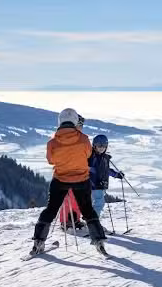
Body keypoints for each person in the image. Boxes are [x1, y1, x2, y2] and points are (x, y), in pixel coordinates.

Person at [29, 108, 108, 256]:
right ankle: (99, 241)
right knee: (88, 210)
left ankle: (38, 241)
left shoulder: (52, 143)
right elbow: (88, 154)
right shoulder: (84, 139)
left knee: (50, 210)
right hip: (81, 180)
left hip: (60, 180)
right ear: (74, 122)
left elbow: (50, 160)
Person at [88, 134, 124, 218]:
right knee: (99, 203)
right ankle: (95, 224)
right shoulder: (92, 157)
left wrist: (116, 174)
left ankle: (91, 223)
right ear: (94, 146)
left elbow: (106, 170)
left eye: (104, 146)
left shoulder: (104, 158)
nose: (102, 148)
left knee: (96, 203)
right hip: (94, 183)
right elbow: (87, 168)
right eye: (99, 145)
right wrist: (95, 171)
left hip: (100, 184)